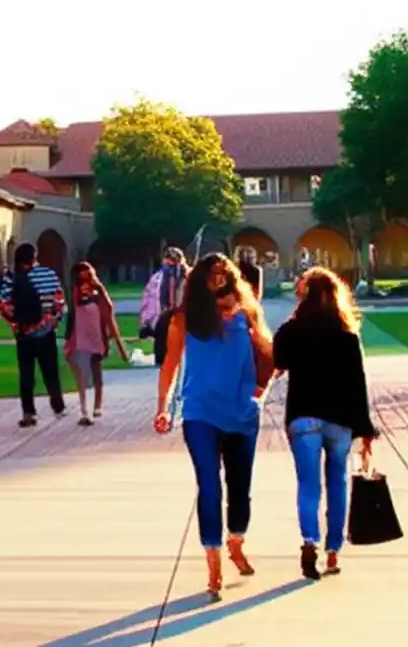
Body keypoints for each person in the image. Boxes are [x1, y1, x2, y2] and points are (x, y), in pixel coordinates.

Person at [155, 253, 273, 599]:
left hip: (241, 413)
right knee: (209, 486)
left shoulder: (247, 314)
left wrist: (259, 389)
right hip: (199, 413)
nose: (218, 280)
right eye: (212, 275)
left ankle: (236, 542)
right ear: (200, 281)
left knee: (240, 488)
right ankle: (213, 562)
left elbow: (269, 353)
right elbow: (170, 365)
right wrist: (163, 408)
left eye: (224, 274)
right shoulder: (184, 319)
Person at [273, 267, 378, 580]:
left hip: (303, 416)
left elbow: (278, 362)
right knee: (338, 483)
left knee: (308, 485)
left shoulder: (291, 331)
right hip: (340, 420)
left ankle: (309, 541)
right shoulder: (347, 336)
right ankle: (333, 552)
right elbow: (358, 385)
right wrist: (365, 430)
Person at [0, 243, 68, 428]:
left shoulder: (11, 279)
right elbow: (59, 300)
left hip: (24, 333)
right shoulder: (49, 274)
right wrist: (54, 318)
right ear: (34, 257)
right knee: (51, 371)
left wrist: (15, 323)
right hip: (46, 331)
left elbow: (4, 304)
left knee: (26, 374)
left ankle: (28, 412)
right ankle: (58, 405)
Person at [63, 262, 128, 425]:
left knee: (96, 372)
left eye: (87, 278)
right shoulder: (74, 295)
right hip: (78, 340)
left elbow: (109, 318)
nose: (84, 284)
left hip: (96, 339)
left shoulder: (98, 296)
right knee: (81, 376)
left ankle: (97, 406)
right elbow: (72, 314)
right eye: (80, 279)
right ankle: (84, 411)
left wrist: (121, 348)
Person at [153, 247, 188, 365]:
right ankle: (163, 357)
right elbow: (163, 291)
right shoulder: (165, 274)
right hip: (169, 308)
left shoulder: (182, 272)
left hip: (180, 309)